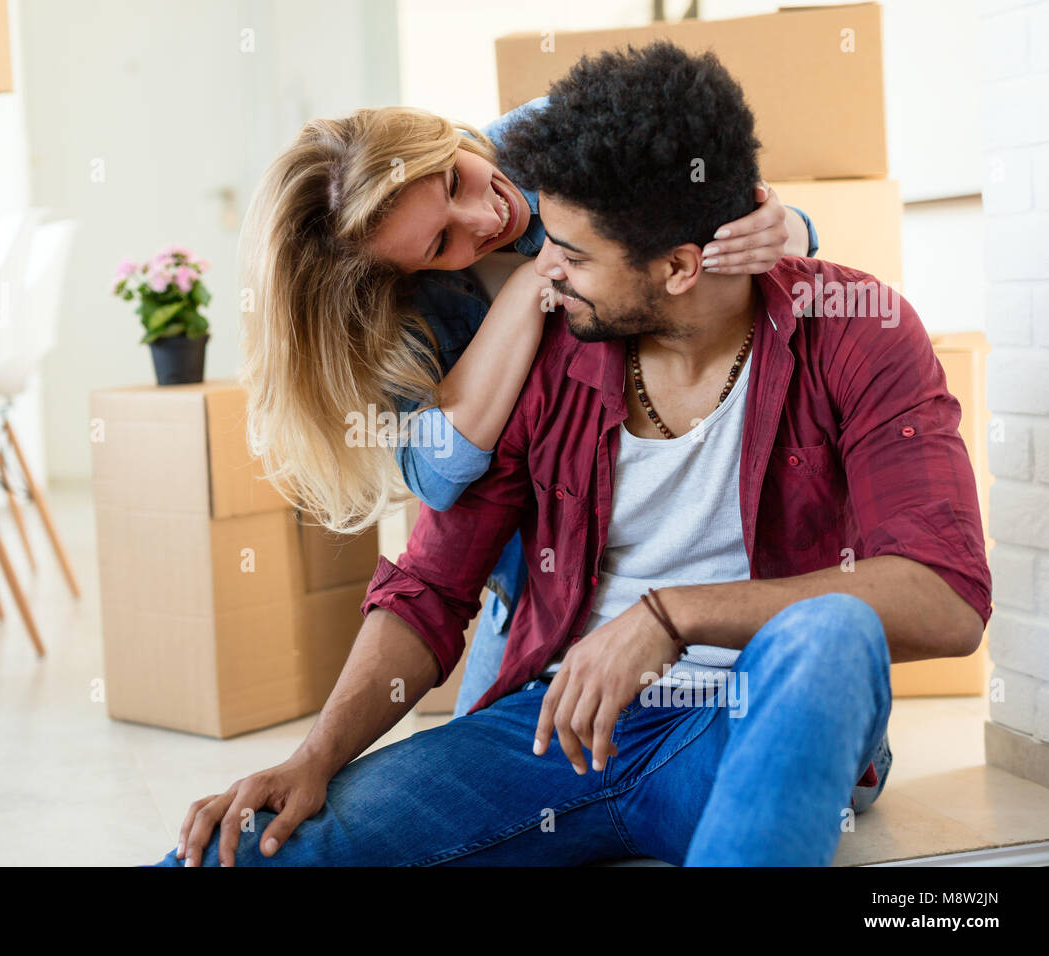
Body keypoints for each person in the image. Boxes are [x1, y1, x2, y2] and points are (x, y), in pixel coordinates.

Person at [153, 42, 991, 867]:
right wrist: (312, 757)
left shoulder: (857, 331)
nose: (540, 268)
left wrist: (670, 615)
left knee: (835, 630)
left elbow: (945, 598)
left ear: (679, 265)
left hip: (742, 720)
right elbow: (431, 585)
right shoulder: (551, 347)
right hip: (555, 723)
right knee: (262, 848)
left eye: (573, 256)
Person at [239, 91, 818, 718]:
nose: (486, 218)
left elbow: (775, 239)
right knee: (481, 744)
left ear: (440, 137)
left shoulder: (556, 137)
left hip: (689, 522)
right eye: (441, 242)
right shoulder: (403, 317)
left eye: (455, 178)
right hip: (547, 564)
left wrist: (780, 226)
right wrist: (526, 287)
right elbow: (438, 474)